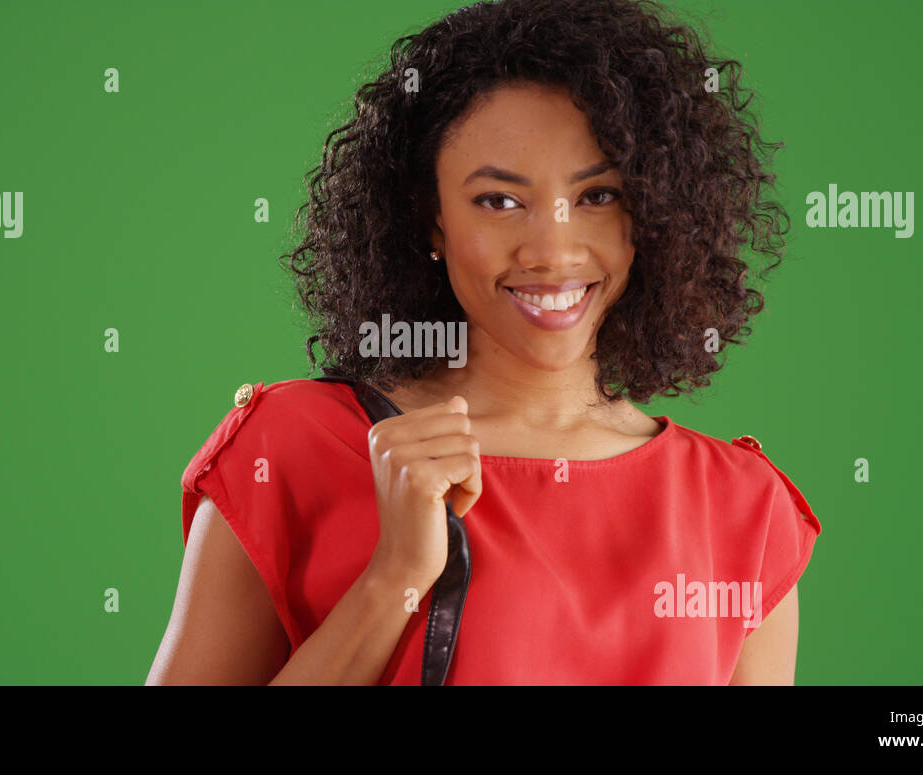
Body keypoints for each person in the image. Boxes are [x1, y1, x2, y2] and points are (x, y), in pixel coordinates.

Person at [147, 0, 821, 685]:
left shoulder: (743, 509)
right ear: (431, 220)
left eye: (598, 196)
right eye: (498, 201)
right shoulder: (290, 447)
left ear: (655, 210)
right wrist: (395, 578)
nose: (552, 251)